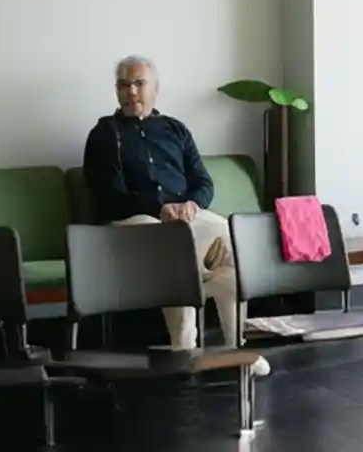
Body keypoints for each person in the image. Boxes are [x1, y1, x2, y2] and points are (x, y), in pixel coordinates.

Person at [83, 54, 268, 375]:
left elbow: (203, 183)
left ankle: (236, 350)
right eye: (123, 85)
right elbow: (110, 197)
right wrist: (159, 207)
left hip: (185, 218)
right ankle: (185, 351)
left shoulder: (175, 129)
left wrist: (192, 204)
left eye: (139, 83)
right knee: (174, 243)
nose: (131, 92)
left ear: (155, 88)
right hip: (133, 222)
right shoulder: (104, 134)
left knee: (229, 239)